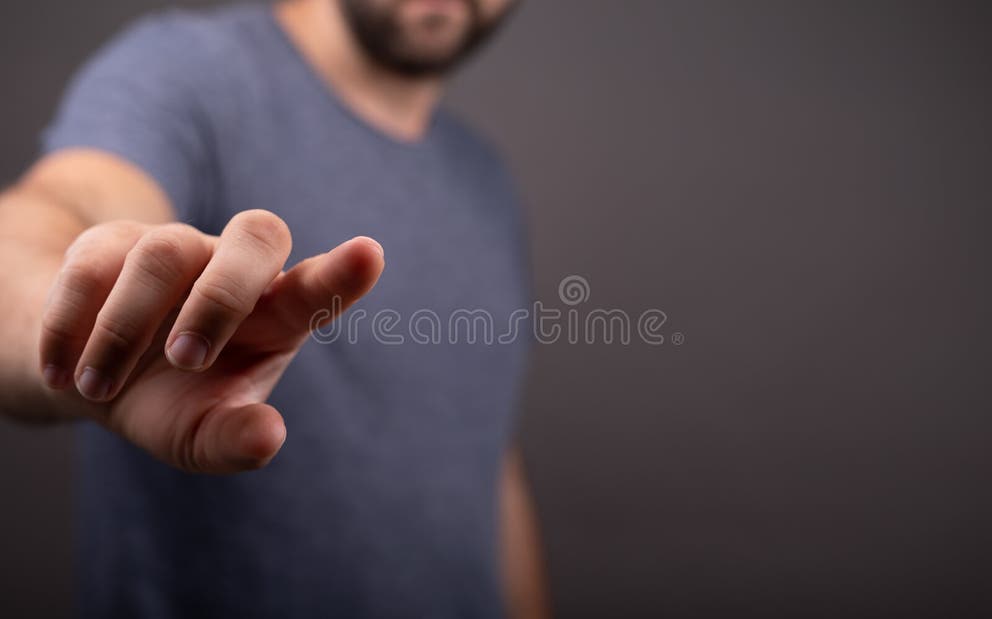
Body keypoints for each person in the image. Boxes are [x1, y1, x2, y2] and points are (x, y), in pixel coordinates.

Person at [0, 0, 550, 616]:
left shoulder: (484, 178)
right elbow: (51, 213)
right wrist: (78, 329)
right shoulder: (190, 72)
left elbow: (487, 457)